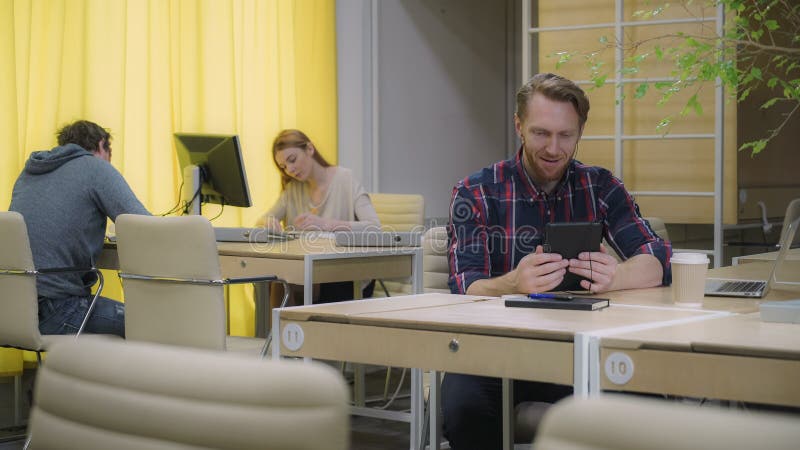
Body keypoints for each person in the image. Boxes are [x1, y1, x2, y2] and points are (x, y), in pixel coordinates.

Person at [444, 73, 672, 449]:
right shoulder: (476, 192)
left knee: (647, 408)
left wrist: (616, 276)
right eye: (541, 133)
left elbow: (657, 257)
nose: (553, 148)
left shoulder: (600, 187)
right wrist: (512, 284)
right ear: (519, 126)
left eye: (565, 135)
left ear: (580, 131)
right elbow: (464, 286)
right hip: (492, 350)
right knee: (464, 412)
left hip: (579, 349)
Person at [9, 120, 150, 338]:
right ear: (101, 145)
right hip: (57, 310)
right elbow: (147, 229)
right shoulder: (95, 168)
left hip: (11, 310)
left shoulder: (29, 172)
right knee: (155, 322)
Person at [256, 129, 380, 304]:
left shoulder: (345, 179)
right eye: (283, 167)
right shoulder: (293, 189)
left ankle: (281, 322)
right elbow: (263, 220)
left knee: (284, 283)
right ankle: (282, 322)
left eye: (292, 160)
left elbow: (374, 227)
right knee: (268, 279)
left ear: (309, 149)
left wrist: (326, 224)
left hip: (346, 273)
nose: (289, 169)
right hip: (309, 272)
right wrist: (268, 222)